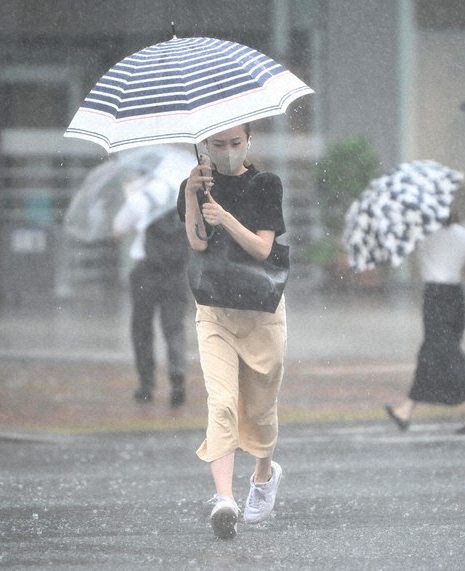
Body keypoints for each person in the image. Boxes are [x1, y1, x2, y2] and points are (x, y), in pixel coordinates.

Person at [179, 123, 286, 540]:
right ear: (205, 145)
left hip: (261, 310)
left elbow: (262, 247)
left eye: (235, 144)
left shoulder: (266, 185)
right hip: (214, 309)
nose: (227, 152)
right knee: (221, 402)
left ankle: (263, 475)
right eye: (218, 145)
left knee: (260, 408)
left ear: (248, 142)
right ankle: (224, 498)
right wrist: (192, 196)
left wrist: (224, 216)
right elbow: (198, 243)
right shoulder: (197, 185)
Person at [385, 214, 465, 435]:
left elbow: (398, 252)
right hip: (456, 295)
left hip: (435, 296)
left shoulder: (421, 234)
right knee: (430, 351)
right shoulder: (462, 232)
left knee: (447, 350)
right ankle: (406, 408)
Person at [112, 150, 191, 408]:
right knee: (174, 328)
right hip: (177, 272)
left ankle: (146, 385)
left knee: (142, 329)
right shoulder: (183, 194)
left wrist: (131, 196)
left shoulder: (139, 197)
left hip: (147, 272)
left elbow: (117, 230)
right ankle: (177, 377)